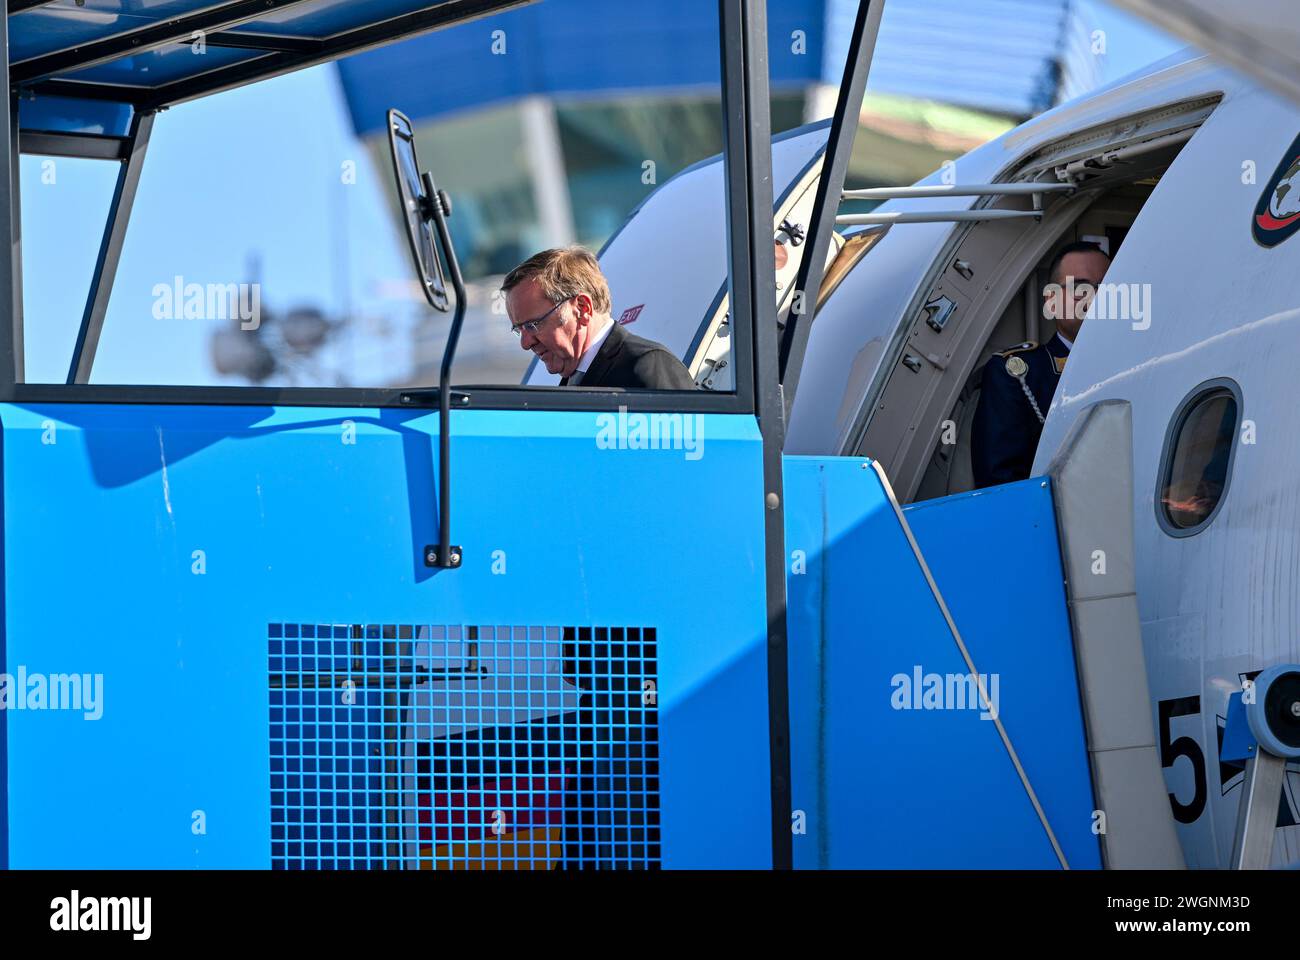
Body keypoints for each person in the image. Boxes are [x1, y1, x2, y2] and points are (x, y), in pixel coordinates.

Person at [970, 241, 1111, 488]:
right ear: (1052, 300)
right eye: (1080, 287)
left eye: (1107, 286)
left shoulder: (1145, 364)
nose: (1095, 297)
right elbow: (1000, 484)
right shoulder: (1017, 374)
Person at [503, 246, 695, 390]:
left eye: (532, 325)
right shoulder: (574, 379)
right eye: (519, 329)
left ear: (582, 309)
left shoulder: (648, 366)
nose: (525, 343)